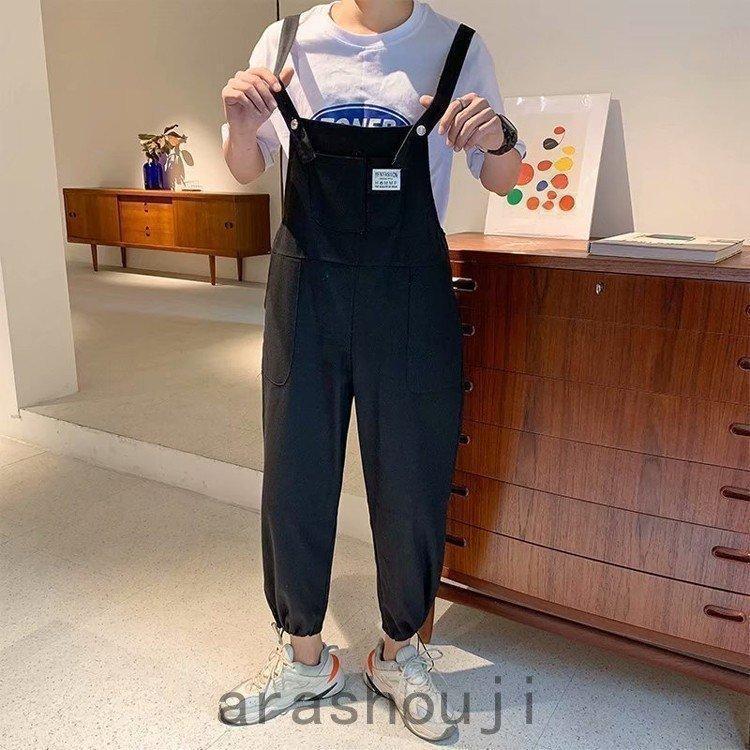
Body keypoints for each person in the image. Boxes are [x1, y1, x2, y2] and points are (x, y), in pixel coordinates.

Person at [219, 0, 523, 741]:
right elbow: (247, 167)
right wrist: (239, 125)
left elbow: (505, 180)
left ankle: (399, 652)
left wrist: (499, 137)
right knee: (295, 468)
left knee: (412, 470)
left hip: (409, 289)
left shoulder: (457, 47)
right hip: (306, 287)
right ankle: (304, 658)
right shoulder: (289, 39)